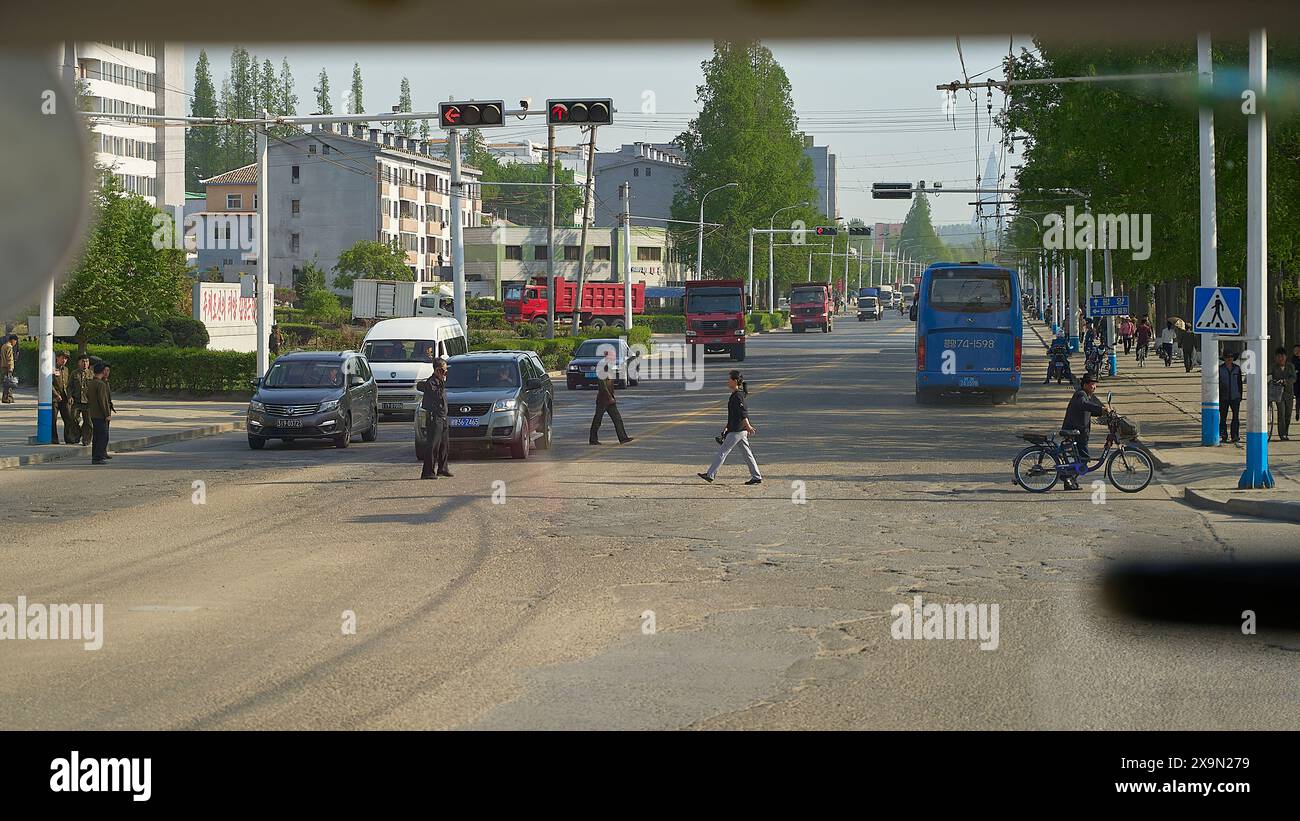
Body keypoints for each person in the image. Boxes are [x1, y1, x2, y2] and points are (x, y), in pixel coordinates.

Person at [698, 369, 762, 485]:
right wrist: (726, 427)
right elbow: (734, 414)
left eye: (729, 379)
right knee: (747, 454)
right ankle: (756, 476)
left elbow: (743, 412)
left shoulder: (737, 396)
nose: (728, 381)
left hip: (737, 430)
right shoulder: (737, 394)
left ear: (735, 381)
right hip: (737, 430)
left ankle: (710, 474)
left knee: (722, 452)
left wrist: (748, 426)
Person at [1059, 373, 1110, 490]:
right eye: (1092, 384)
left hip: (1079, 432)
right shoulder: (1080, 394)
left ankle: (1069, 480)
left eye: (1095, 384)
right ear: (1085, 384)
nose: (1094, 387)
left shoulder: (1086, 396)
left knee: (1079, 459)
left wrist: (1103, 412)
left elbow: (1089, 410)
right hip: (1075, 432)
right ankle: (1066, 477)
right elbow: (1084, 405)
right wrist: (1101, 408)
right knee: (1083, 459)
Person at [417, 357, 451, 479]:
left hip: (443, 416)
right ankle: (428, 472)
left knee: (444, 444)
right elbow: (437, 396)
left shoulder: (439, 382)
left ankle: (443, 468)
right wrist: (441, 380)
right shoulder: (432, 382)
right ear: (437, 370)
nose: (445, 373)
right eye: (443, 370)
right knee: (433, 445)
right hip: (434, 417)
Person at [590, 349, 633, 445]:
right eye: (612, 356)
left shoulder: (609, 367)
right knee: (598, 420)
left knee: (617, 419)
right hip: (603, 399)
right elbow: (602, 386)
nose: (614, 358)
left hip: (610, 399)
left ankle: (623, 438)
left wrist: (612, 397)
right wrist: (609, 397)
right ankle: (593, 439)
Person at [86, 362, 116, 464]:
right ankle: (98, 457)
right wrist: (107, 414)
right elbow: (103, 401)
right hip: (100, 414)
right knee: (103, 436)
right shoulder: (100, 384)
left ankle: (96, 456)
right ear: (102, 371)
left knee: (96, 436)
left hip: (93, 413)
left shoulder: (91, 383)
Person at [1269, 347, 1296, 441]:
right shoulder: (1273, 367)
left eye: (1282, 356)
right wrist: (1273, 381)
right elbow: (1268, 376)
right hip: (1278, 394)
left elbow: (1294, 378)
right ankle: (1282, 434)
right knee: (1281, 413)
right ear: (1275, 358)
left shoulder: (1290, 366)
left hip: (1289, 393)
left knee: (1288, 414)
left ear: (1286, 357)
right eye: (1278, 356)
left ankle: (1286, 432)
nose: (1280, 358)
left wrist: (1286, 381)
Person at [1218, 350, 1243, 444]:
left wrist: (1240, 395)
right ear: (1224, 358)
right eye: (1227, 357)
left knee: (1235, 417)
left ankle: (1235, 436)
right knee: (1223, 417)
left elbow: (1239, 383)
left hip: (1235, 396)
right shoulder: (1220, 369)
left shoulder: (1237, 368)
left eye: (1231, 357)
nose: (1229, 359)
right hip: (1223, 397)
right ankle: (1223, 435)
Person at [51, 351, 76, 444]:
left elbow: (67, 385)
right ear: (57, 358)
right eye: (62, 358)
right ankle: (54, 438)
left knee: (68, 418)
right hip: (55, 398)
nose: (64, 360)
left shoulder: (66, 369)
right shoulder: (52, 368)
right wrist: (55, 394)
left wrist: (70, 396)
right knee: (53, 419)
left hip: (65, 398)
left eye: (66, 358)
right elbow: (49, 383)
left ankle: (69, 438)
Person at [71, 354, 94, 445]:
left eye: (87, 361)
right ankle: (78, 433)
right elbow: (70, 386)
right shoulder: (74, 373)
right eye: (83, 361)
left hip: (88, 401)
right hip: (77, 400)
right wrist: (69, 396)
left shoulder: (92, 374)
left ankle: (86, 439)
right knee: (73, 418)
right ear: (78, 363)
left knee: (88, 422)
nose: (85, 363)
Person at [1, 333, 17, 403]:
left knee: (7, 383)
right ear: (12, 340)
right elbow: (9, 358)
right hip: (8, 367)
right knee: (8, 383)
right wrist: (10, 368)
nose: (15, 343)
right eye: (15, 341)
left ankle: (9, 397)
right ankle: (6, 398)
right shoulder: (9, 347)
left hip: (3, 366)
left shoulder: (3, 346)